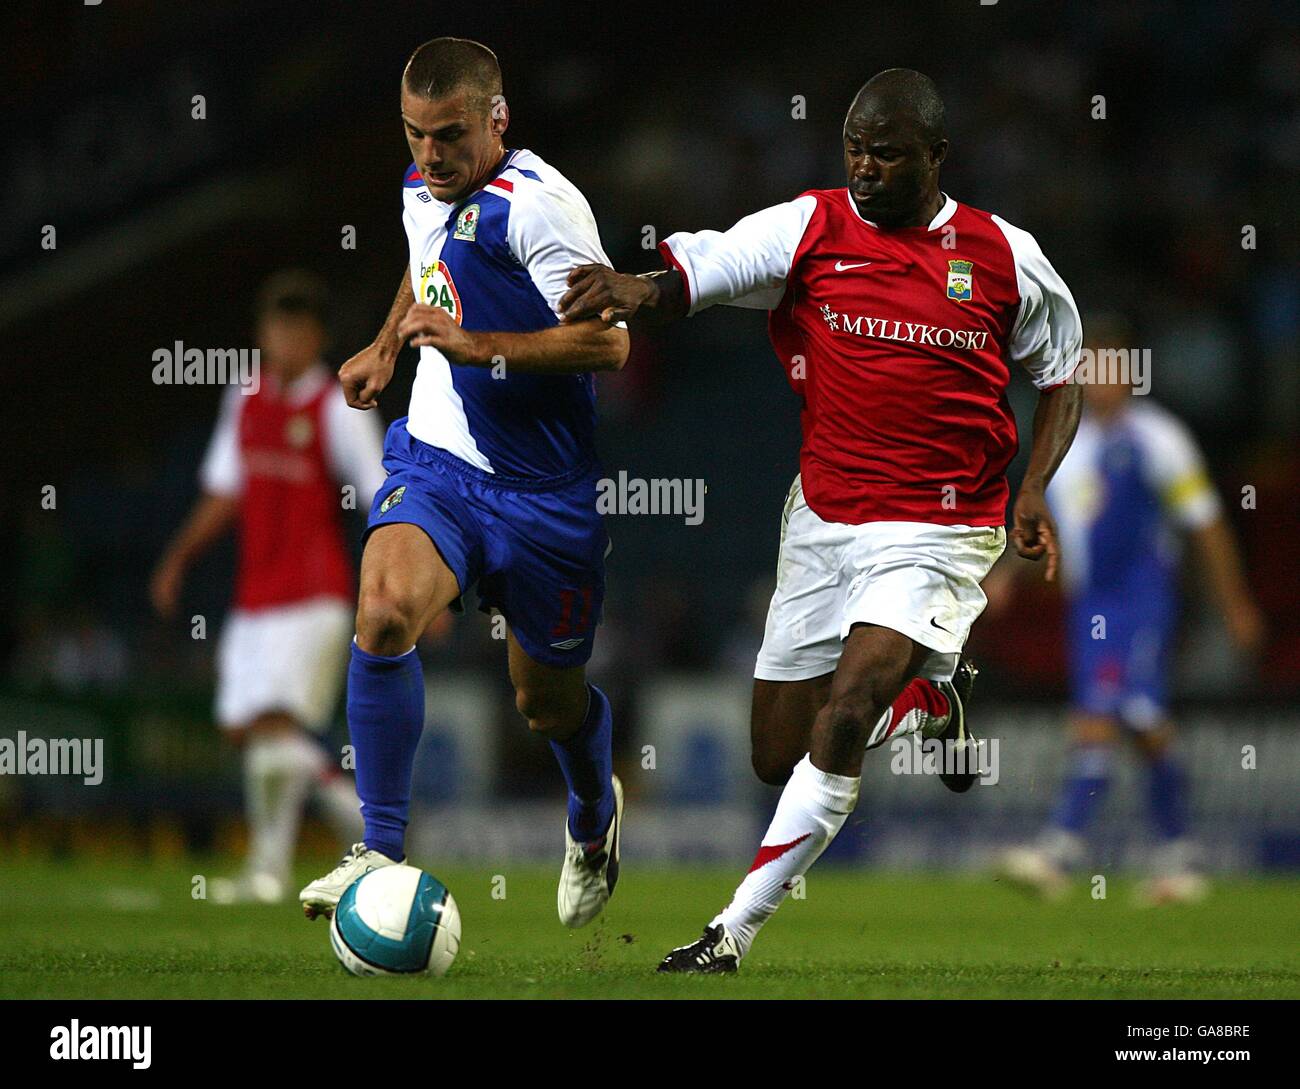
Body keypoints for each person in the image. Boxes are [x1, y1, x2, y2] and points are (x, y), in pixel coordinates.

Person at [560, 68, 1083, 971]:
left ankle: (731, 930)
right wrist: (635, 288)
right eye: (854, 151)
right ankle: (930, 699)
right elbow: (708, 270)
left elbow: (1064, 373)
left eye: (887, 154)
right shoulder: (813, 226)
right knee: (777, 750)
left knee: (841, 721)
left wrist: (1034, 486)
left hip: (941, 527)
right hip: (825, 522)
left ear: (936, 157)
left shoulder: (1004, 255)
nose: (867, 168)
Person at [298, 38, 630, 929]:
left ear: (497, 119)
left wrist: (484, 346)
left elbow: (609, 342)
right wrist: (388, 341)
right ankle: (380, 847)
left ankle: (594, 813)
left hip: (546, 494)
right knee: (384, 608)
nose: (429, 157)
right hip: (440, 460)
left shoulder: (543, 209)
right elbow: (427, 263)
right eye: (413, 135)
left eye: (448, 136)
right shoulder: (422, 187)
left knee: (544, 702)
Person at [995, 316, 1265, 904]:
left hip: (1143, 599)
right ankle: (1181, 855)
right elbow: (1054, 527)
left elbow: (1207, 526)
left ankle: (1060, 849)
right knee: (1142, 722)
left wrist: (1235, 605)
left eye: (1112, 370)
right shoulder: (1070, 445)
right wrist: (1008, 577)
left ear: (1131, 377)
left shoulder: (1159, 439)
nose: (1101, 383)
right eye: (1090, 371)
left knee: (1100, 715)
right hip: (1091, 603)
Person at [150, 270, 385, 903]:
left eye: (299, 329)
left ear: (316, 338)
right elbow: (224, 492)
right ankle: (278, 868)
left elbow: (378, 493)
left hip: (315, 596)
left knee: (273, 726)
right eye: (277, 328)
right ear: (262, 335)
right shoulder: (245, 398)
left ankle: (373, 841)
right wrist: (178, 559)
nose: (286, 340)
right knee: (259, 738)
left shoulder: (336, 404)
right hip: (254, 598)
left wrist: (399, 579)